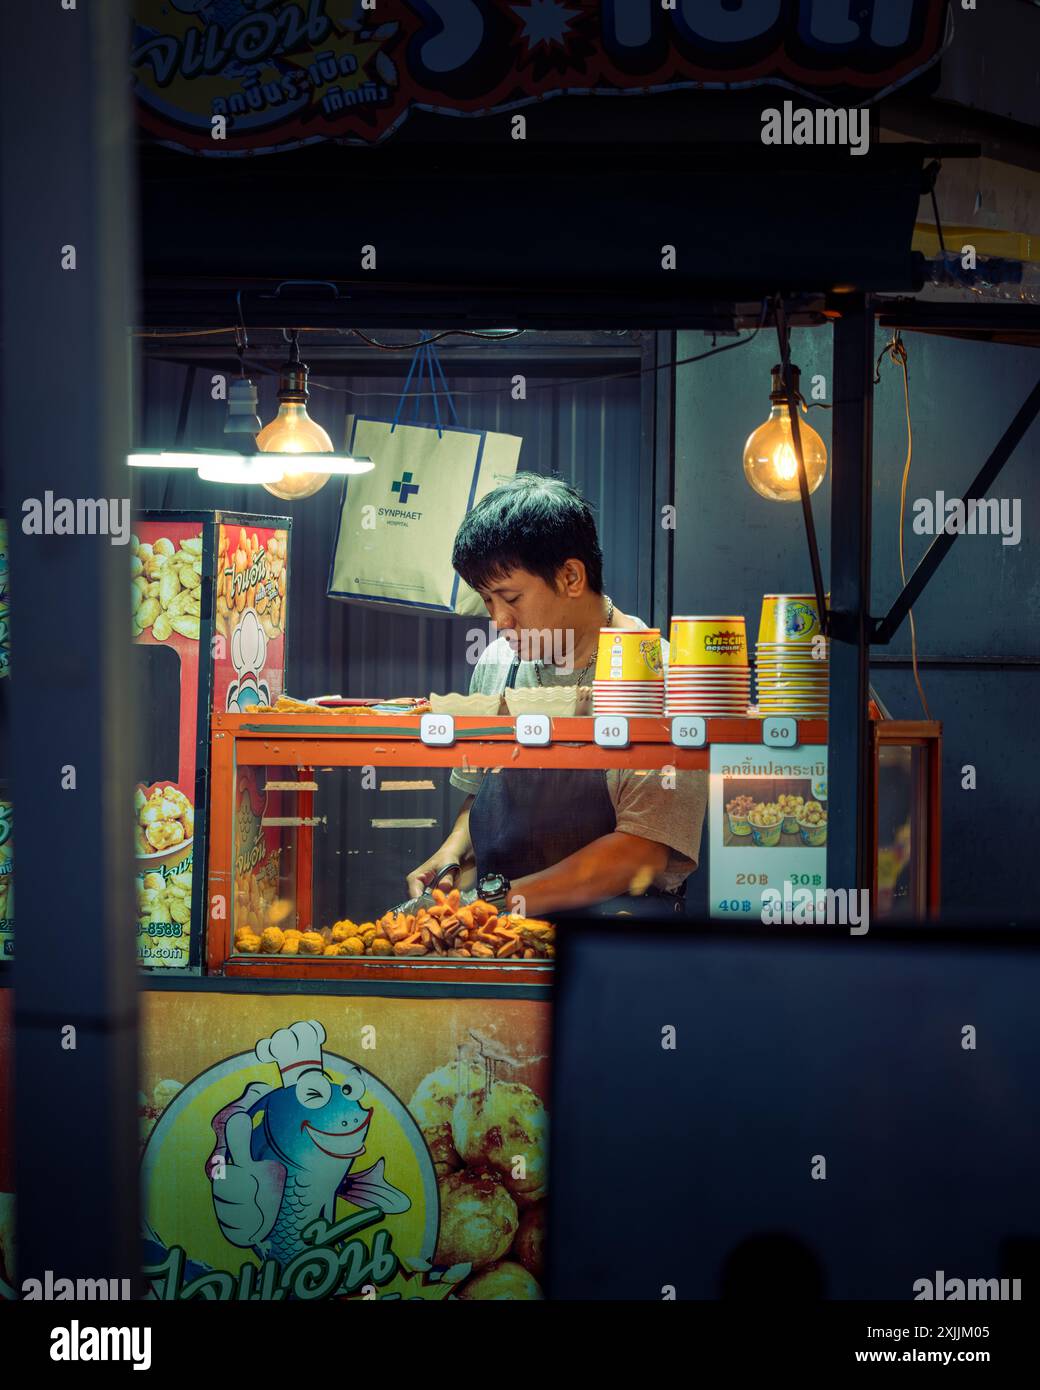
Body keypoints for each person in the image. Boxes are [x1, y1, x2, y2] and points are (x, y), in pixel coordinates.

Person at [405, 474, 707, 919]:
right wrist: (450, 855)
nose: (499, 620)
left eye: (510, 597)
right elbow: (483, 799)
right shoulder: (496, 665)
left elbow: (641, 851)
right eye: (487, 601)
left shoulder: (658, 676)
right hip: (502, 936)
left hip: (611, 946)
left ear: (570, 576)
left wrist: (489, 902)